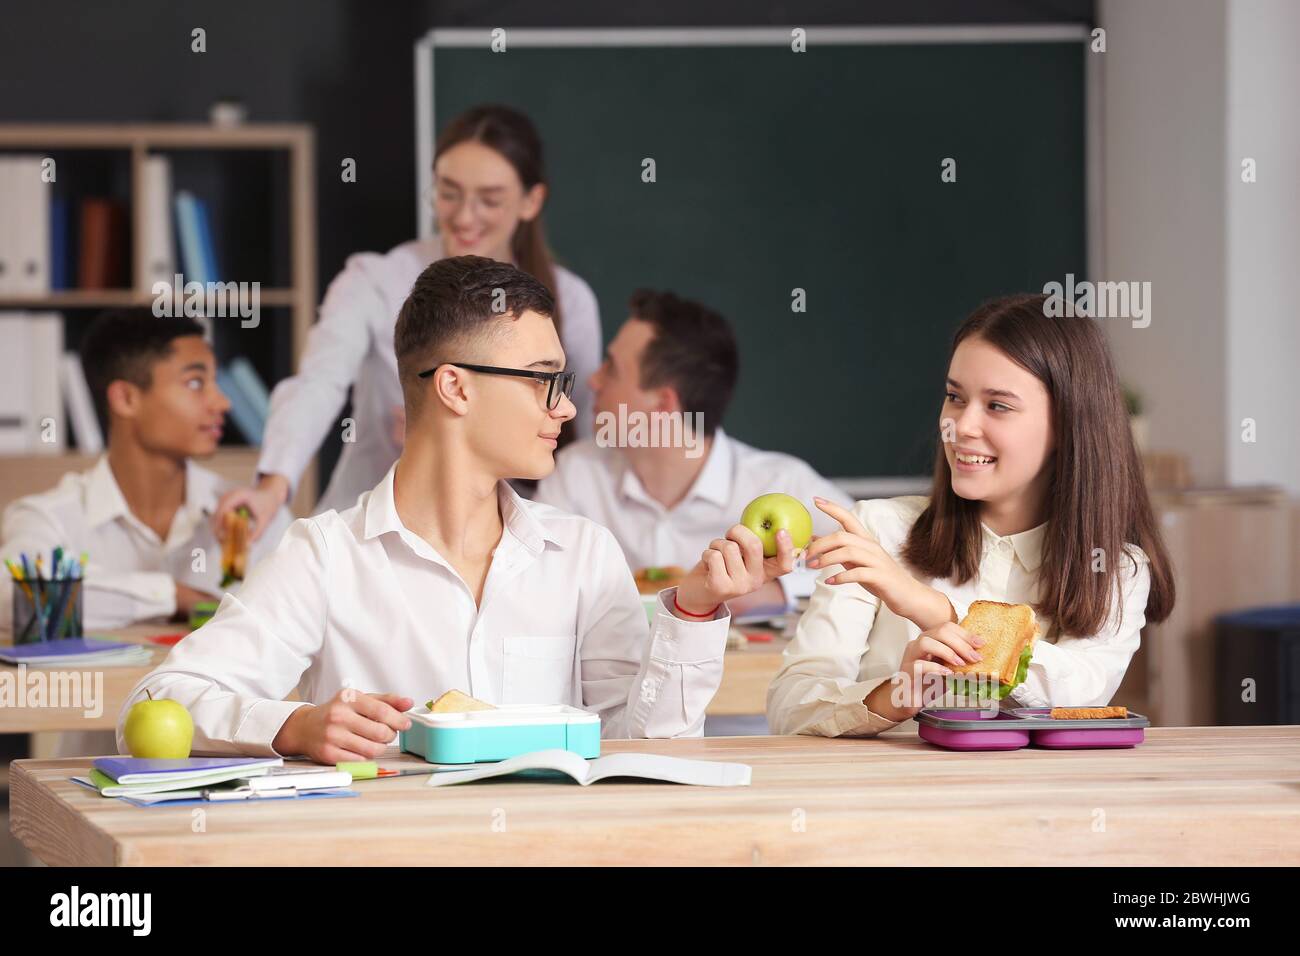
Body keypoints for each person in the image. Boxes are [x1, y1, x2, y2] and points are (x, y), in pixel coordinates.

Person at [117, 257, 796, 761]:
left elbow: (647, 754)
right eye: (543, 382)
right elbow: (154, 704)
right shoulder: (325, 555)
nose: (566, 406)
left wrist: (695, 611)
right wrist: (291, 726)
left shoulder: (584, 555)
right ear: (455, 388)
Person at [767, 293, 1175, 736]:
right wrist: (896, 697)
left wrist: (933, 609)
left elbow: (1081, 693)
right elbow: (791, 709)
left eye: (997, 405)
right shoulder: (877, 531)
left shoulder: (1117, 568)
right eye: (955, 397)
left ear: (1068, 423)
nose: (960, 426)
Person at [215, 104, 602, 533]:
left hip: (503, 533)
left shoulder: (569, 301)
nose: (464, 216)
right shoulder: (376, 279)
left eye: (489, 199)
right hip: (371, 525)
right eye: (448, 192)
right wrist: (273, 485)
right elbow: (317, 383)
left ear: (531, 201)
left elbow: (577, 432)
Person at [535, 289, 852, 618]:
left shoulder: (780, 483)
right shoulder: (577, 473)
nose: (592, 380)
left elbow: (878, 553)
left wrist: (777, 588)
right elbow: (538, 577)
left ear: (663, 403)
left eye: (611, 369)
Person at [1, 309, 291, 634]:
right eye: (195, 383)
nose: (222, 403)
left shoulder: (256, 515)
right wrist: (175, 596)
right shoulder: (49, 518)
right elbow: (17, 601)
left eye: (216, 381)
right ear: (126, 398)